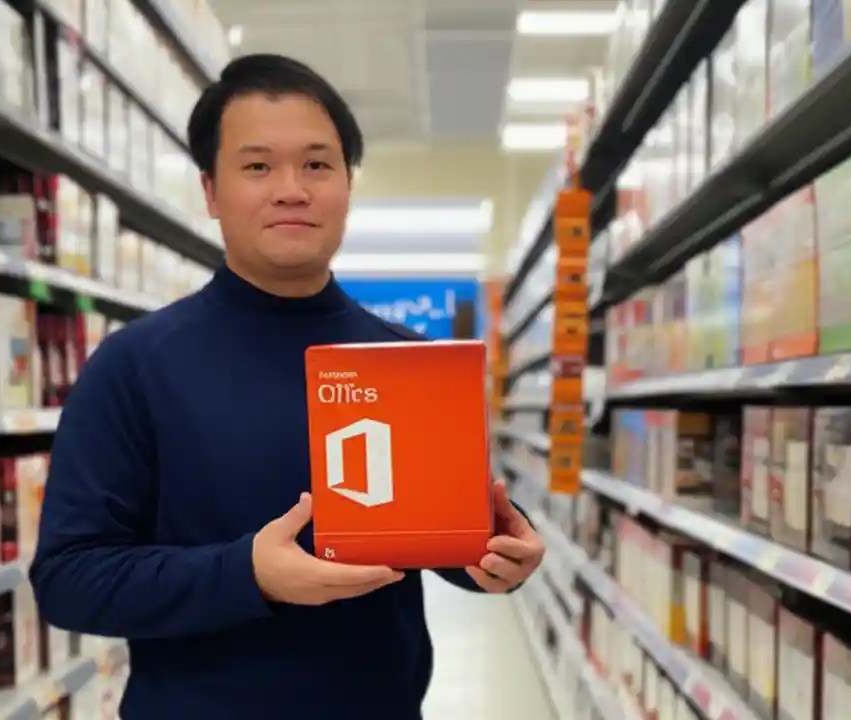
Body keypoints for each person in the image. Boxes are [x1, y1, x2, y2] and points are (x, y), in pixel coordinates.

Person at [29, 53, 546, 719]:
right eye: (257, 166)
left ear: (347, 185)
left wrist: (498, 551)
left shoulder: (409, 362)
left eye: (317, 164)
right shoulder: (134, 366)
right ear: (211, 192)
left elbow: (442, 543)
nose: (291, 188)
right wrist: (247, 574)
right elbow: (70, 580)